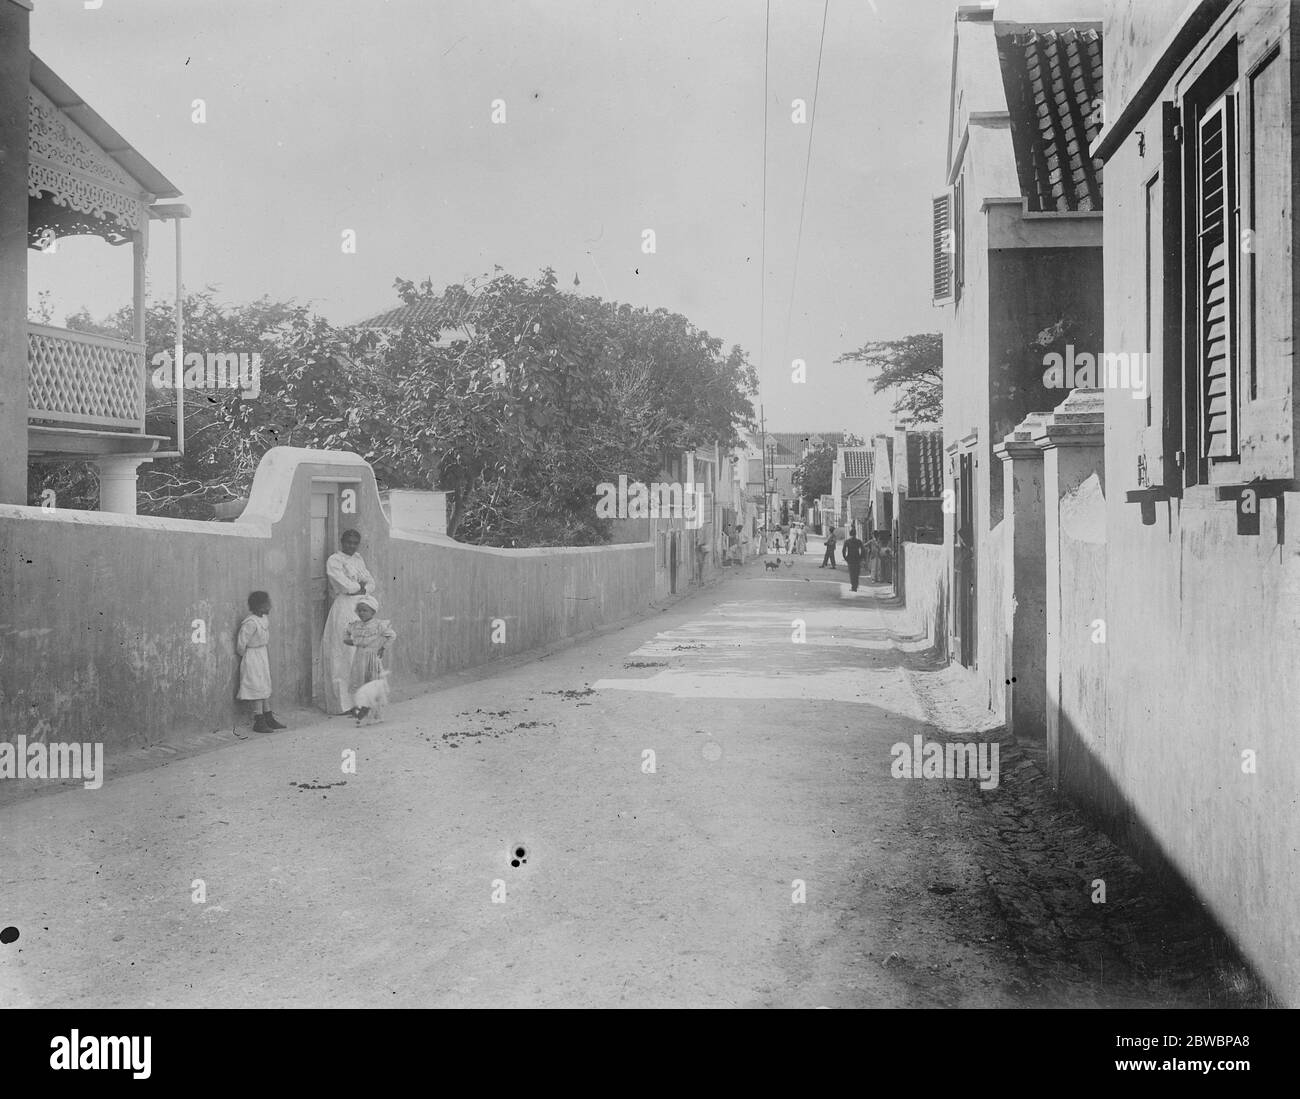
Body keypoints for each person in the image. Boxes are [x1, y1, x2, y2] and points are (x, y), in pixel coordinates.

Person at [323, 528, 377, 715]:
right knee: (343, 654)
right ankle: (342, 704)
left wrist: (362, 588)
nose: (351, 546)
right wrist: (358, 587)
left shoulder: (358, 559)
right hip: (344, 609)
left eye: (355, 543)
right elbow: (343, 585)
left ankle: (360, 701)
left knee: (359, 655)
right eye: (348, 542)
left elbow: (370, 583)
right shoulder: (334, 560)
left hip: (361, 609)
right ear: (342, 541)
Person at [237, 591, 285, 733]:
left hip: (262, 654)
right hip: (252, 656)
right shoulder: (250, 623)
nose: (270, 606)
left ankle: (268, 717)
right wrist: (247, 655)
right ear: (258, 607)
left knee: (264, 684)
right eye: (267, 604)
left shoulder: (263, 619)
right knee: (256, 686)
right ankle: (258, 720)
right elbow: (241, 644)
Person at [343, 595, 396, 719]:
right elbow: (346, 633)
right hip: (359, 657)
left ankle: (375, 710)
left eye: (365, 610)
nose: (361, 613)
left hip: (371, 657)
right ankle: (362, 709)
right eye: (359, 610)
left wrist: (383, 648)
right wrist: (351, 641)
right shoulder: (355, 625)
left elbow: (392, 635)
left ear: (372, 611)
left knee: (372, 682)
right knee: (359, 681)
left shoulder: (378, 625)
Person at [842, 527, 866, 591]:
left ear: (850, 534)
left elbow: (843, 551)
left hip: (850, 559)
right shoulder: (858, 541)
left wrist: (846, 558)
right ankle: (856, 585)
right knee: (856, 573)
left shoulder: (847, 541)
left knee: (852, 573)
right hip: (857, 558)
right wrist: (861, 557)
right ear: (856, 534)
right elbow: (863, 550)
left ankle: (853, 586)